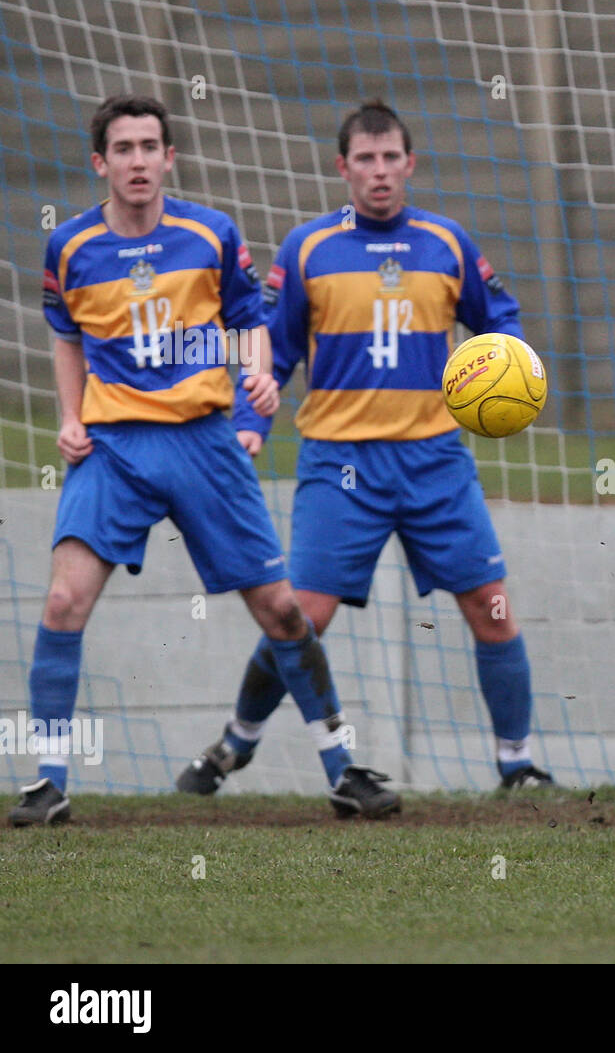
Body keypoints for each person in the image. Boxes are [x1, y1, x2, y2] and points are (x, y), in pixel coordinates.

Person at [10, 94, 377, 826]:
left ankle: (344, 767)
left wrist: (259, 385)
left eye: (151, 146)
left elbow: (249, 322)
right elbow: (65, 334)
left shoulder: (210, 233)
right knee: (61, 600)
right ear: (100, 162)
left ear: (169, 157)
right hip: (113, 449)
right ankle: (45, 781)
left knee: (280, 606)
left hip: (205, 442)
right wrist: (70, 419)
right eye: (124, 148)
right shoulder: (71, 247)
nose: (138, 160)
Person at [177, 100, 552, 796]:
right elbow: (273, 349)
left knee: (491, 606)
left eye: (390, 158)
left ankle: (519, 764)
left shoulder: (448, 242)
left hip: (437, 459)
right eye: (365, 159)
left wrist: (506, 367)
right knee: (301, 616)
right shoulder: (308, 248)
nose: (379, 172)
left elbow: (500, 317)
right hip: (340, 462)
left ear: (409, 164)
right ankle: (237, 742)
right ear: (342, 167)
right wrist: (249, 420)